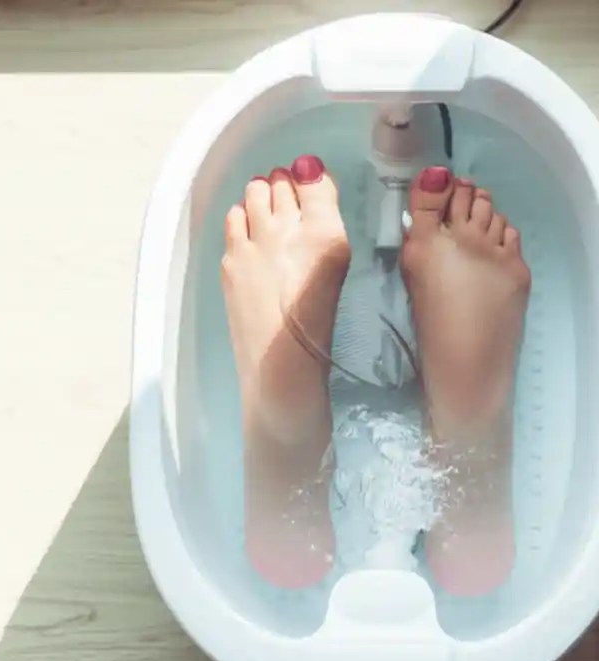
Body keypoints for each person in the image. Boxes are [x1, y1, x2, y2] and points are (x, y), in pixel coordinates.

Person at [221, 154, 530, 597]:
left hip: (284, 566)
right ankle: (472, 442)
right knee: (472, 540)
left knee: (290, 537)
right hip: (484, 581)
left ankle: (284, 441)